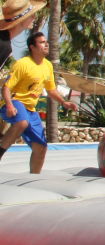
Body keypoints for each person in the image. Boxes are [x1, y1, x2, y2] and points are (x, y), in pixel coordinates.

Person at [0, 30, 78, 173]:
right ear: (32, 47)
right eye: (42, 42)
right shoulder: (22, 64)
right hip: (15, 102)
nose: (46, 44)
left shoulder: (47, 66)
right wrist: (10, 105)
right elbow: (5, 88)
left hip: (30, 109)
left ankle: (33, 178)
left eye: (46, 42)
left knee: (41, 148)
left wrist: (64, 102)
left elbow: (51, 90)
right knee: (22, 122)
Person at [1, 0, 46, 67]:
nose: (34, 17)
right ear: (22, 19)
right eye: (32, 14)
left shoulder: (3, 40)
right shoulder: (4, 45)